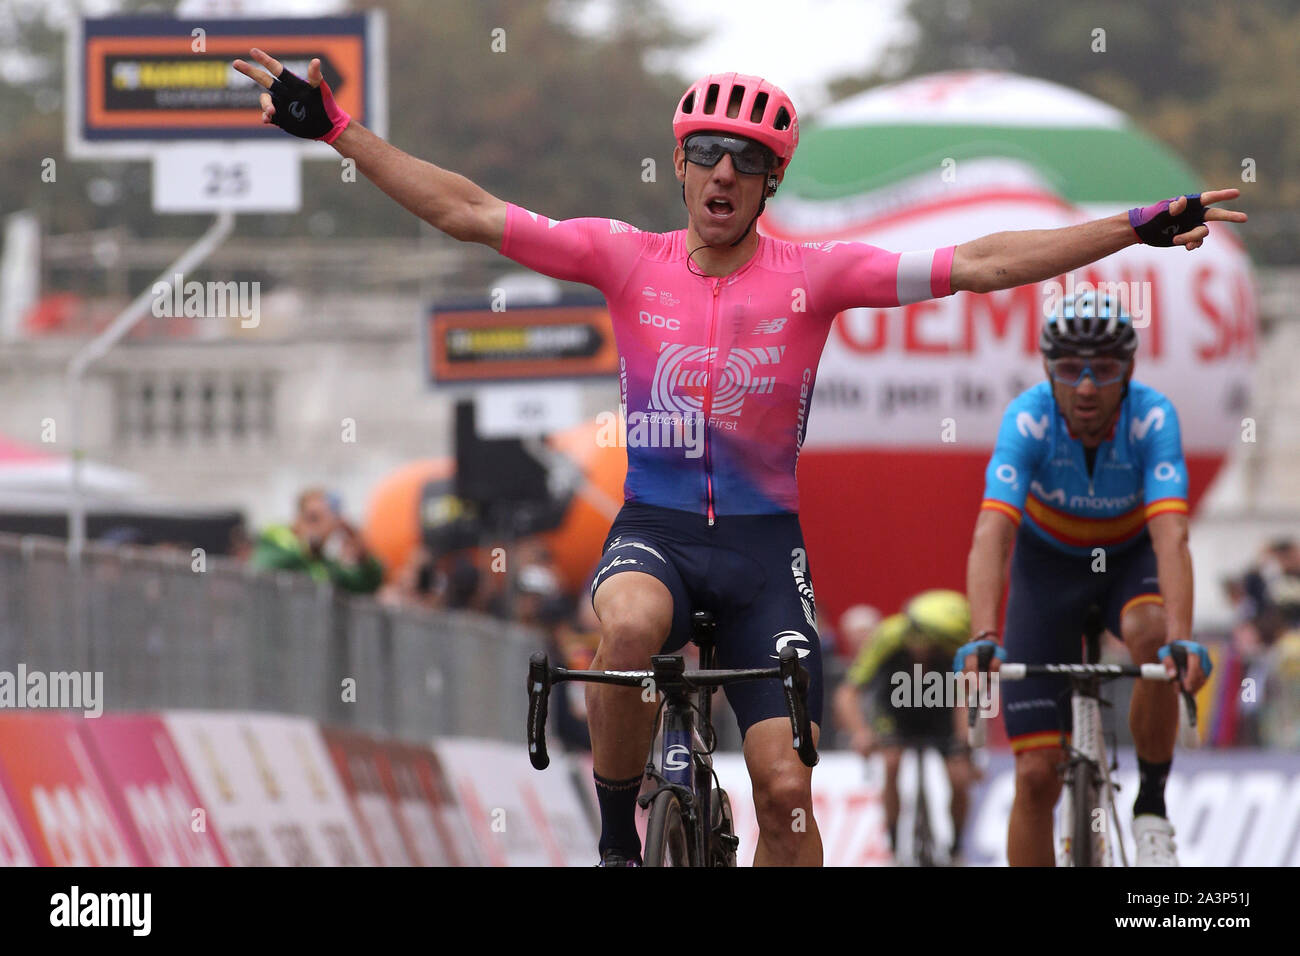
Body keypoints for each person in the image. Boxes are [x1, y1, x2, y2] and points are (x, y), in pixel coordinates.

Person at [232, 51, 1244, 866]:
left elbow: (979, 262)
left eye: (747, 160)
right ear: (679, 164)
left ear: (772, 181)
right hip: (657, 531)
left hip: (766, 554)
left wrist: (1134, 228)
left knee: (790, 795)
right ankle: (619, 834)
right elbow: (465, 210)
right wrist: (336, 130)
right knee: (624, 623)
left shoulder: (819, 274)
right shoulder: (623, 257)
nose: (724, 172)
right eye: (708, 151)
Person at [957, 292, 1213, 866]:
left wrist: (1183, 635)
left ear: (1130, 371)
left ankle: (1150, 806)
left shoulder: (1153, 418)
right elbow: (991, 535)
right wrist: (981, 634)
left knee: (1152, 634)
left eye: (1106, 369)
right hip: (1047, 572)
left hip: (1129, 561)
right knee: (1034, 777)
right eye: (1072, 370)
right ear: (1050, 371)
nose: (1089, 388)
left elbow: (1172, 535)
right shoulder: (1027, 418)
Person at [833, 590, 977, 863]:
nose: (923, 652)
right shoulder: (888, 636)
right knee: (891, 762)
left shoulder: (952, 639)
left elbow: (966, 696)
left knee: (959, 776)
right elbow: (848, 692)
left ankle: (956, 847)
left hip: (941, 709)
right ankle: (895, 844)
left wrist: (965, 740)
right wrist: (861, 733)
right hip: (894, 710)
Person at [250, 487, 383, 594]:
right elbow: (264, 567)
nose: (317, 527)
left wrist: (362, 554)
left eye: (324, 519)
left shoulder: (322, 565)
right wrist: (306, 548)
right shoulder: (276, 540)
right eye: (312, 518)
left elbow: (367, 584)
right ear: (298, 518)